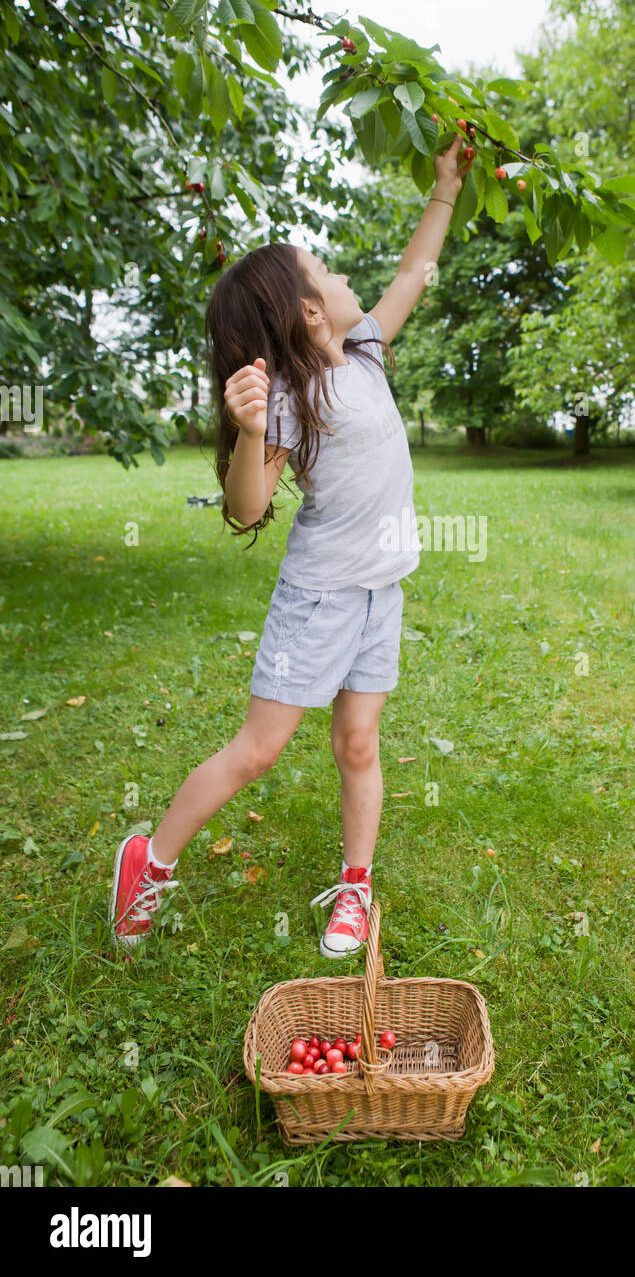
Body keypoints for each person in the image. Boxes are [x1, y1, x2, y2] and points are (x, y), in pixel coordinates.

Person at [108, 130, 475, 959]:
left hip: (381, 592)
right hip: (319, 597)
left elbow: (415, 272)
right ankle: (149, 860)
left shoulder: (368, 353)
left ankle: (355, 886)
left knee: (358, 743)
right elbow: (247, 509)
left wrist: (446, 185)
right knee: (260, 749)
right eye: (329, 273)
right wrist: (244, 433)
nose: (347, 278)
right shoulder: (285, 401)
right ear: (310, 311)